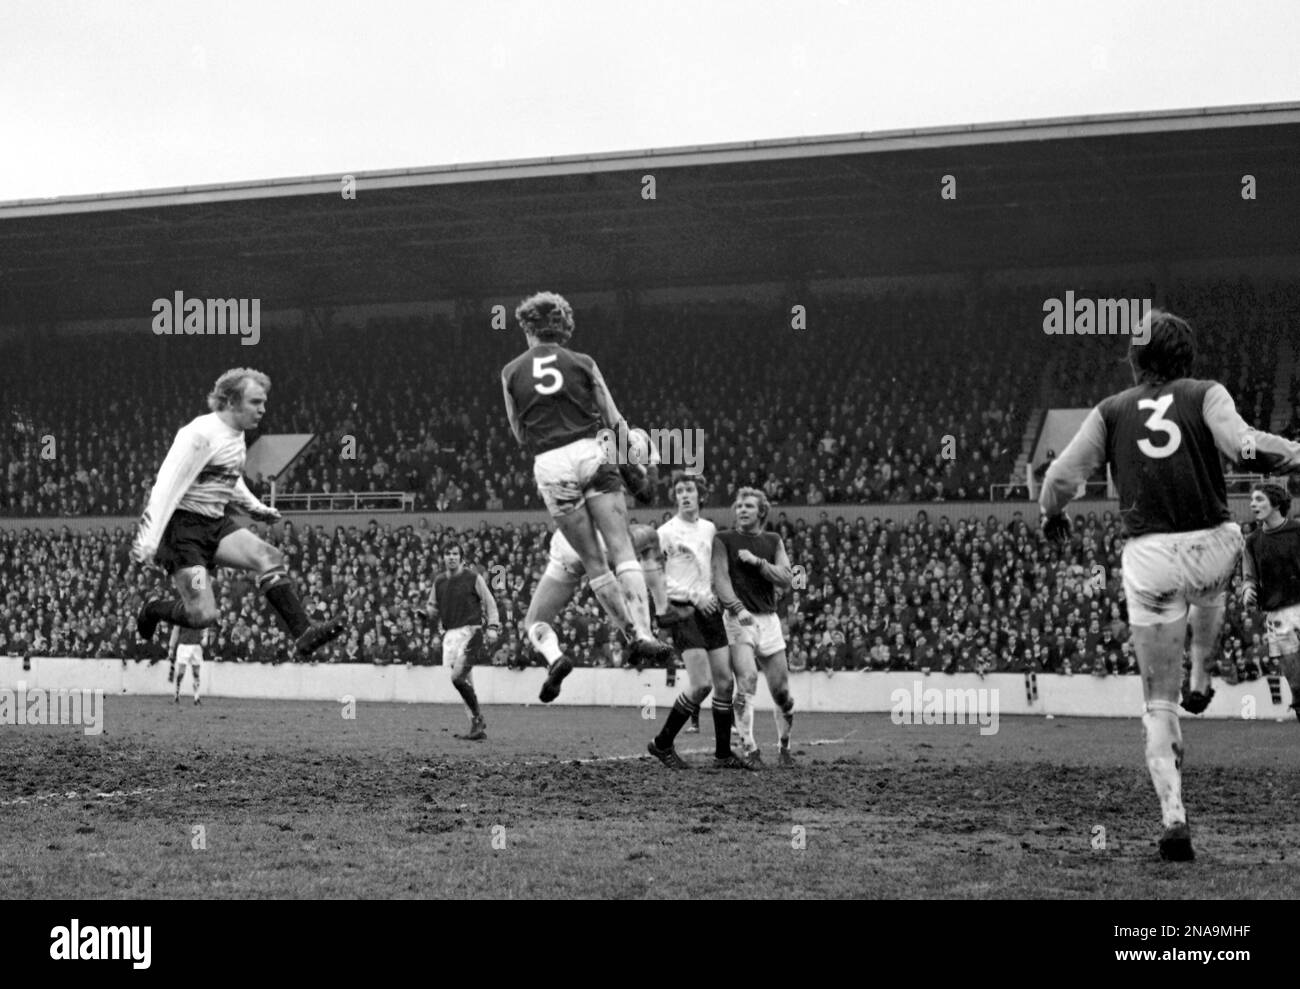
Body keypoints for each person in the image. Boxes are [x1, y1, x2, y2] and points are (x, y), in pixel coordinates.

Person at [1040, 309, 1300, 862]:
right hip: (1210, 542)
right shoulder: (1206, 393)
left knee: (1157, 703)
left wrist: (1051, 515)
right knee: (1213, 571)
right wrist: (1297, 453)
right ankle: (1202, 672)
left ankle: (1173, 817)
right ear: (1187, 356)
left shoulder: (1109, 411)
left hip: (1149, 556)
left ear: (1135, 358)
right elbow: (1246, 447)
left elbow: (1061, 480)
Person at [500, 292, 672, 702]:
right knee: (621, 547)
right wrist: (635, 463)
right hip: (591, 450)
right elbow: (613, 418)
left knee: (596, 564)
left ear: (527, 328)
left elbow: (518, 434)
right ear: (564, 328)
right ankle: (644, 633)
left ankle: (628, 634)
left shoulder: (510, 372)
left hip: (551, 463)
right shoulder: (584, 363)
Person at [132, 368, 347, 658]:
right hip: (184, 538)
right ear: (232, 402)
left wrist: (255, 508)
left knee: (269, 557)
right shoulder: (199, 435)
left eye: (263, 402)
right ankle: (154, 609)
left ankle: (303, 632)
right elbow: (165, 486)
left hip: (215, 526)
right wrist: (148, 539)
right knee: (203, 614)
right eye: (255, 402)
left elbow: (229, 479)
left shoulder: (236, 436)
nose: (263, 409)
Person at [646, 473, 751, 770]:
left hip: (710, 610)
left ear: (700, 494)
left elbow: (709, 570)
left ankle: (722, 754)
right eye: (679, 491)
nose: (684, 495)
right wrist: (694, 596)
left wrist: (716, 595)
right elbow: (658, 579)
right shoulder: (666, 532)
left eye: (689, 489)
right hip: (683, 612)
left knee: (724, 682)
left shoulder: (708, 529)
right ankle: (662, 743)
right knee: (701, 683)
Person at [713, 487, 797, 767]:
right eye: (738, 506)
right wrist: (737, 608)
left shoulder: (773, 540)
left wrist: (758, 562)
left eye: (748, 506)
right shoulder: (723, 539)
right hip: (738, 620)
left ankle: (784, 747)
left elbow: (787, 578)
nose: (742, 510)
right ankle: (750, 749)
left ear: (761, 511)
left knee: (782, 693)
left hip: (769, 621)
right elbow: (720, 580)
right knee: (747, 680)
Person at [418, 544, 500, 740]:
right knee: (464, 682)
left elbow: (490, 602)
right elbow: (433, 607)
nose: (451, 557)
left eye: (455, 554)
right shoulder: (439, 582)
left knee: (457, 677)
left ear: (461, 558)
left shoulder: (473, 578)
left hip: (471, 633)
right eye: (448, 553)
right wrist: (425, 614)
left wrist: (493, 626)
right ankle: (476, 724)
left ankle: (477, 719)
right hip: (451, 635)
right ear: (443, 557)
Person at [1240, 482, 1300, 720]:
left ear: (1275, 503)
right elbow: (1248, 575)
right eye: (1252, 500)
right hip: (1277, 612)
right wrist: (1247, 590)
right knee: (1294, 678)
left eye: (1259, 499)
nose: (1253, 504)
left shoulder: (1297, 530)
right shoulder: (1253, 541)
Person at [168, 624, 208, 705]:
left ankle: (196, 697)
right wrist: (171, 647)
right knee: (181, 672)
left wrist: (205, 637)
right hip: (184, 646)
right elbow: (175, 632)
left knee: (196, 673)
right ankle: (177, 694)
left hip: (196, 646)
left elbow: (204, 628)